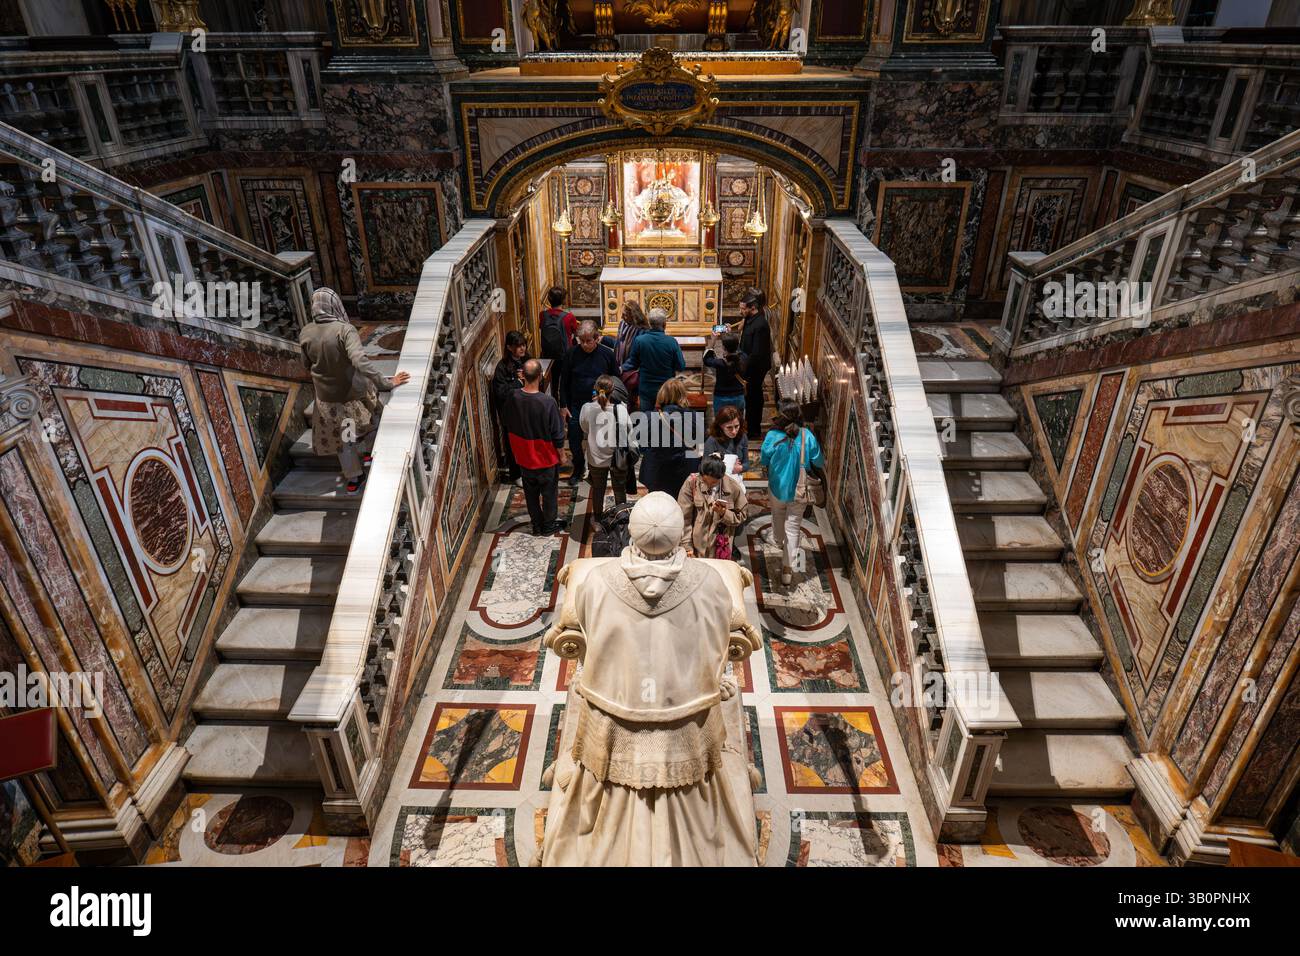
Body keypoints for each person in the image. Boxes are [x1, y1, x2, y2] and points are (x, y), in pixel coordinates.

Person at [538, 492, 760, 866]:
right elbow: (716, 649)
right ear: (679, 537)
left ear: (633, 537)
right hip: (684, 724)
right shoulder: (708, 583)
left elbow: (592, 645)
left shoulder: (597, 582)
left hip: (616, 719)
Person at [299, 288, 410, 496]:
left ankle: (353, 478)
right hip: (352, 395)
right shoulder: (344, 330)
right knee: (373, 420)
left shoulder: (305, 332)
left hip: (327, 400)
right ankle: (367, 456)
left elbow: (306, 364)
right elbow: (360, 361)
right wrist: (385, 382)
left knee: (344, 439)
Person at [760, 398, 824, 587]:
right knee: (794, 527)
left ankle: (778, 540)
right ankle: (788, 571)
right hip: (800, 491)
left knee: (777, 513)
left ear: (781, 416)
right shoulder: (807, 436)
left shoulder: (773, 435)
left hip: (777, 487)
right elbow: (819, 462)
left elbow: (764, 459)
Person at [504, 359, 567, 536]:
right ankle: (548, 525)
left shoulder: (513, 396)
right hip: (545, 457)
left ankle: (536, 524)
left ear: (522, 375)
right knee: (549, 494)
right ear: (540, 376)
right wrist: (561, 455)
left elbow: (506, 421)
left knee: (530, 494)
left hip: (523, 456)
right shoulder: (548, 402)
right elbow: (557, 433)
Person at [559, 320, 617, 486]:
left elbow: (615, 379)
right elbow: (564, 382)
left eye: (588, 341)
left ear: (597, 338)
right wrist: (563, 405)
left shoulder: (607, 354)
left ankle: (596, 471)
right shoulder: (571, 354)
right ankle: (578, 468)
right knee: (574, 438)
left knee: (599, 440)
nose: (584, 344)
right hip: (576, 404)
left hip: (601, 404)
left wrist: (609, 399)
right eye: (581, 341)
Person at [580, 375, 632, 523]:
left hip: (595, 457)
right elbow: (628, 430)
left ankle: (597, 520)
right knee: (619, 489)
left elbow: (584, 428)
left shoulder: (587, 408)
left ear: (596, 390)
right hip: (617, 458)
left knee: (598, 489)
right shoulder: (621, 409)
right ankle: (621, 520)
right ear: (613, 391)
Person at [678, 454, 747, 559]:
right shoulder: (692, 483)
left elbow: (742, 515)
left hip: (720, 549)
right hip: (696, 549)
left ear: (722, 476)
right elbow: (684, 518)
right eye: (705, 482)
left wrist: (724, 513)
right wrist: (687, 546)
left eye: (714, 483)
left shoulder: (733, 488)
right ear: (701, 475)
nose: (709, 486)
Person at [620, 306, 685, 413]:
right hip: (666, 389)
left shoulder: (640, 340)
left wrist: (620, 368)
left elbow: (632, 363)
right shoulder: (672, 342)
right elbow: (681, 366)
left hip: (646, 388)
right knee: (666, 421)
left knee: (647, 420)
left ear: (650, 324)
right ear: (664, 324)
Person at [642, 376, 696, 499]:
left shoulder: (649, 417)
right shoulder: (693, 417)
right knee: (682, 506)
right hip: (683, 471)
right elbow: (699, 443)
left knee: (657, 508)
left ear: (661, 394)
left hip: (657, 472)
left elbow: (641, 443)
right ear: (683, 395)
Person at [489, 330, 529, 483]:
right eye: (518, 346)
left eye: (523, 345)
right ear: (510, 347)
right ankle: (516, 474)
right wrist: (518, 382)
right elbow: (501, 392)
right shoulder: (502, 367)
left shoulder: (527, 359)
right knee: (513, 445)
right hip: (511, 414)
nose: (522, 349)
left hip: (526, 410)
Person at [736, 288, 772, 439]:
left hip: (755, 370)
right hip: (749, 366)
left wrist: (744, 371)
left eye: (743, 309)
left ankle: (753, 430)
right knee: (748, 398)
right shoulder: (750, 319)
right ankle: (749, 426)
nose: (740, 311)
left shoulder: (761, 325)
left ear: (753, 308)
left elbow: (756, 354)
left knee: (753, 400)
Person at [538, 285, 577, 397]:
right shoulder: (569, 317)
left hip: (548, 354)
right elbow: (576, 331)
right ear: (564, 300)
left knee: (552, 381)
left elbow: (541, 328)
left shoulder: (543, 315)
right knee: (566, 381)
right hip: (564, 354)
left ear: (549, 299)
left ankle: (554, 401)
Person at [614, 299, 650, 410]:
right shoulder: (623, 325)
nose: (622, 317)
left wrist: (623, 367)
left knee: (631, 397)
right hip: (621, 365)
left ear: (633, 315)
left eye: (625, 315)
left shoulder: (643, 330)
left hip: (633, 369)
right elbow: (619, 343)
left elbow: (638, 355)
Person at [704, 331, 747, 415]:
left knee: (720, 423)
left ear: (723, 347)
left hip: (721, 398)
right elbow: (738, 350)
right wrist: (731, 336)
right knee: (738, 422)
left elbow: (706, 359)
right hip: (738, 397)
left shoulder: (719, 363)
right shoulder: (743, 358)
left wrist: (713, 341)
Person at [704, 404, 748, 476]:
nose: (734, 431)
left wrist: (740, 468)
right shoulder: (712, 441)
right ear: (721, 426)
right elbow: (705, 466)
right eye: (729, 427)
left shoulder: (742, 436)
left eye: (736, 426)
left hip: (736, 481)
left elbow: (746, 464)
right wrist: (729, 468)